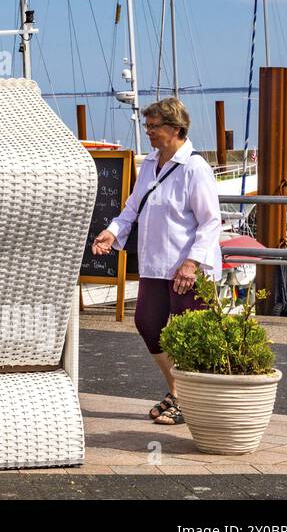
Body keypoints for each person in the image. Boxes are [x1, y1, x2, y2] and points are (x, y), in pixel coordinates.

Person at [92, 97, 221, 427]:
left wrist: (192, 263)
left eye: (154, 126)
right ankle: (177, 391)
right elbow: (132, 208)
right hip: (155, 265)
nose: (148, 132)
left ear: (176, 129)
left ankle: (188, 400)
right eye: (147, 126)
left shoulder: (195, 168)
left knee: (188, 337)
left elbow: (210, 222)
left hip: (187, 269)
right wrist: (111, 233)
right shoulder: (150, 163)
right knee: (149, 324)